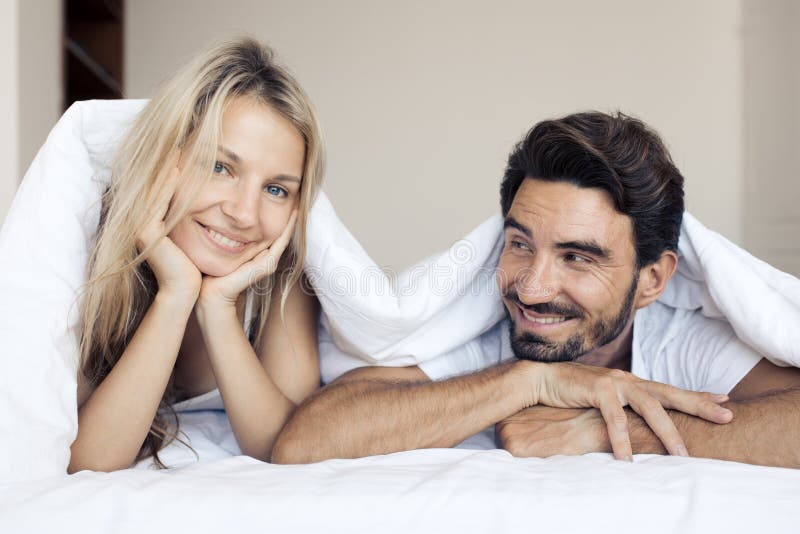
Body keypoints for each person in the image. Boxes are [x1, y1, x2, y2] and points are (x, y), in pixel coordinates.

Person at [272, 112, 800, 468]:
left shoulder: (682, 342)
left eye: (577, 257)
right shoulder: (485, 331)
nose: (530, 286)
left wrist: (612, 430)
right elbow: (304, 443)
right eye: (520, 244)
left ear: (653, 280)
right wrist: (529, 383)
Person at [69, 38, 324, 472]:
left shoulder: (280, 279)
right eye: (220, 167)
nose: (244, 213)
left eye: (276, 189)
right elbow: (90, 462)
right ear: (165, 159)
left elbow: (284, 448)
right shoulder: (96, 257)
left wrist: (218, 306)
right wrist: (175, 292)